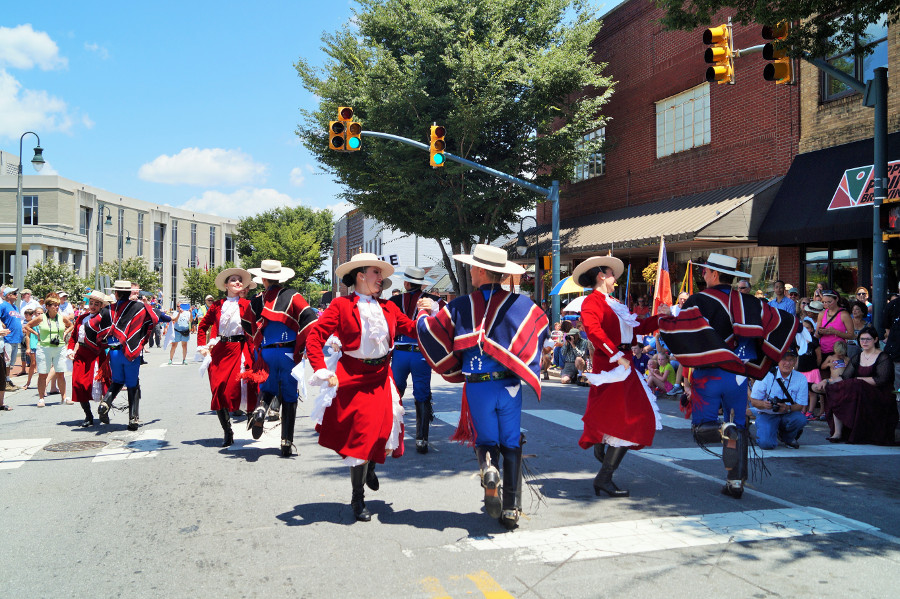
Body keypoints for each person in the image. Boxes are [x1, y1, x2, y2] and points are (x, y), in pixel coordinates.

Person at [417, 244, 548, 529]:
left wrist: (422, 316)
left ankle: (489, 470)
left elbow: (432, 331)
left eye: (472, 267)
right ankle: (512, 508)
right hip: (509, 386)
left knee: (486, 441)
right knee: (512, 442)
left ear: (478, 270)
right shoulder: (520, 304)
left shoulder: (461, 305)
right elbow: (541, 327)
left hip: (478, 387)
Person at [659, 253, 798, 499]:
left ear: (714, 274)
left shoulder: (698, 299)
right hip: (738, 376)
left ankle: (724, 429)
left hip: (708, 374)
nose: (703, 275)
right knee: (739, 426)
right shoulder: (750, 303)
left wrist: (664, 317)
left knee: (703, 427)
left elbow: (680, 333)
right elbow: (784, 320)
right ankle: (735, 481)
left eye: (705, 272)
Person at [307, 253, 426, 522]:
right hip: (353, 376)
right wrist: (320, 368)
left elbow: (414, 329)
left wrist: (431, 320)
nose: (381, 277)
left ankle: (371, 465)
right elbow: (315, 336)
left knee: (385, 429)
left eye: (380, 273)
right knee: (360, 437)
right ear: (360, 275)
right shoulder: (340, 305)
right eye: (375, 272)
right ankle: (357, 497)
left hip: (382, 376)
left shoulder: (389, 308)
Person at [571, 255, 666, 498]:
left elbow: (638, 328)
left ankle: (604, 455)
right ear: (601, 275)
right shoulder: (591, 302)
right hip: (612, 368)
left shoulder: (614, 302)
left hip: (625, 365)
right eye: (612, 274)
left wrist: (662, 317)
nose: (615, 278)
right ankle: (604, 475)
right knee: (629, 418)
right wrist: (616, 355)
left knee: (628, 417)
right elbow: (593, 331)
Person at [244, 260, 319, 456]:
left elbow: (246, 324)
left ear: (262, 278)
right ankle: (286, 442)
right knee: (289, 395)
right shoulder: (292, 296)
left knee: (267, 387)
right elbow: (310, 320)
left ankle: (260, 411)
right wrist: (301, 345)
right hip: (288, 352)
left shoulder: (256, 300)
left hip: (267, 351)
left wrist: (258, 343)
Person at [85, 280, 159, 430]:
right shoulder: (139, 307)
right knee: (132, 384)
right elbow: (155, 319)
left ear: (116, 294)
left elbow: (90, 325)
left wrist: (98, 343)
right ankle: (133, 419)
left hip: (114, 353)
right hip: (130, 352)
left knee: (118, 381)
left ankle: (105, 403)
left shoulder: (107, 310)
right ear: (129, 293)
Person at [388, 265, 446, 454]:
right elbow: (447, 316)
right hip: (421, 353)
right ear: (421, 284)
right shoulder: (434, 301)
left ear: (406, 282)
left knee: (395, 393)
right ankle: (422, 439)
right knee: (422, 395)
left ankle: (390, 434)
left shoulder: (394, 300)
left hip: (400, 353)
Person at [196, 268, 257, 447]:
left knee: (245, 383)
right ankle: (227, 431)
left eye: (240, 280)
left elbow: (257, 327)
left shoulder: (247, 304)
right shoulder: (217, 305)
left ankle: (252, 416)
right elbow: (202, 326)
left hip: (241, 348)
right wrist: (202, 347)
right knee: (219, 388)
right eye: (233, 280)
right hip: (221, 350)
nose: (237, 282)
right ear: (226, 285)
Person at [813, 327, 898, 444]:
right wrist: (827, 381)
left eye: (868, 339)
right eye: (862, 339)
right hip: (859, 390)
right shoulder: (857, 357)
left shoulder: (883, 357)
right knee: (838, 388)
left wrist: (858, 379)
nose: (864, 342)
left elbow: (880, 380)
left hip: (880, 394)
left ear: (875, 339)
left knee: (855, 385)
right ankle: (837, 432)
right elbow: (844, 378)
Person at [66, 291, 109, 426]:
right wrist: (70, 350)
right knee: (79, 385)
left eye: (96, 304)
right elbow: (73, 337)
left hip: (97, 354)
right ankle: (88, 416)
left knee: (101, 386)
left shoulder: (104, 320)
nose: (93, 306)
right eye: (91, 303)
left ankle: (104, 411)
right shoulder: (81, 318)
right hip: (82, 355)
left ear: (101, 306)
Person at [749, 350, 809, 449]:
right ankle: (768, 431)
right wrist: (764, 405)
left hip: (787, 414)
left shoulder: (801, 378)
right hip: (767, 413)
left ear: (795, 362)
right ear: (778, 360)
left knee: (801, 419)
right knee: (766, 444)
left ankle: (787, 438)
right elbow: (754, 401)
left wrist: (788, 408)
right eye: (784, 359)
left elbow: (800, 405)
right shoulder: (766, 375)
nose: (787, 363)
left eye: (791, 360)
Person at [24, 293, 73, 407]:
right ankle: (41, 398)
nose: (56, 307)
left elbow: (71, 325)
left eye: (57, 305)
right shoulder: (41, 317)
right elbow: (28, 326)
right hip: (44, 347)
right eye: (54, 305)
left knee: (60, 373)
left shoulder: (61, 318)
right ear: (48, 307)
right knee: (43, 374)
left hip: (59, 347)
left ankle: (64, 397)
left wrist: (65, 332)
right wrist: (37, 334)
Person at [816, 290, 854, 376]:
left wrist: (835, 332)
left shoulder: (844, 314)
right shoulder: (822, 314)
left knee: (838, 375)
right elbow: (816, 334)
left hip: (838, 352)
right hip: (823, 350)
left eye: (829, 302)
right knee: (824, 375)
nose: (827, 304)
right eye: (824, 302)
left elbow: (851, 335)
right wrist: (821, 331)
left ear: (836, 299)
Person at [1, 288, 24, 391]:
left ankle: (7, 380)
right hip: (8, 338)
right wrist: (1, 324)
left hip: (15, 338)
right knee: (6, 362)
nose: (16, 295)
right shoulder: (3, 306)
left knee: (11, 363)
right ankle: (5, 382)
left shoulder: (15, 307)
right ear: (8, 295)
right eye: (14, 293)